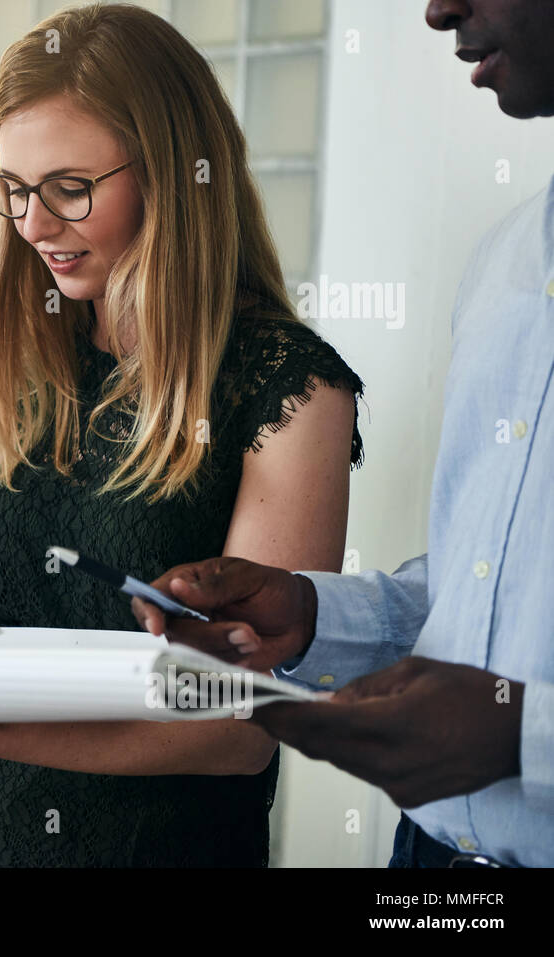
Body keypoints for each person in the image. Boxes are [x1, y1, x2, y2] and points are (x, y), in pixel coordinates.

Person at [0, 3, 365, 867]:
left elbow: (238, 726)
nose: (32, 225)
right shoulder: (32, 354)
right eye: (13, 190)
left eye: (68, 187)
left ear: (175, 173)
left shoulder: (289, 385)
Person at [131, 0, 554, 869]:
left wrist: (526, 732)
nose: (437, 10)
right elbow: (486, 599)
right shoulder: (504, 266)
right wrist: (312, 615)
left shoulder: (287, 376)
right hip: (427, 863)